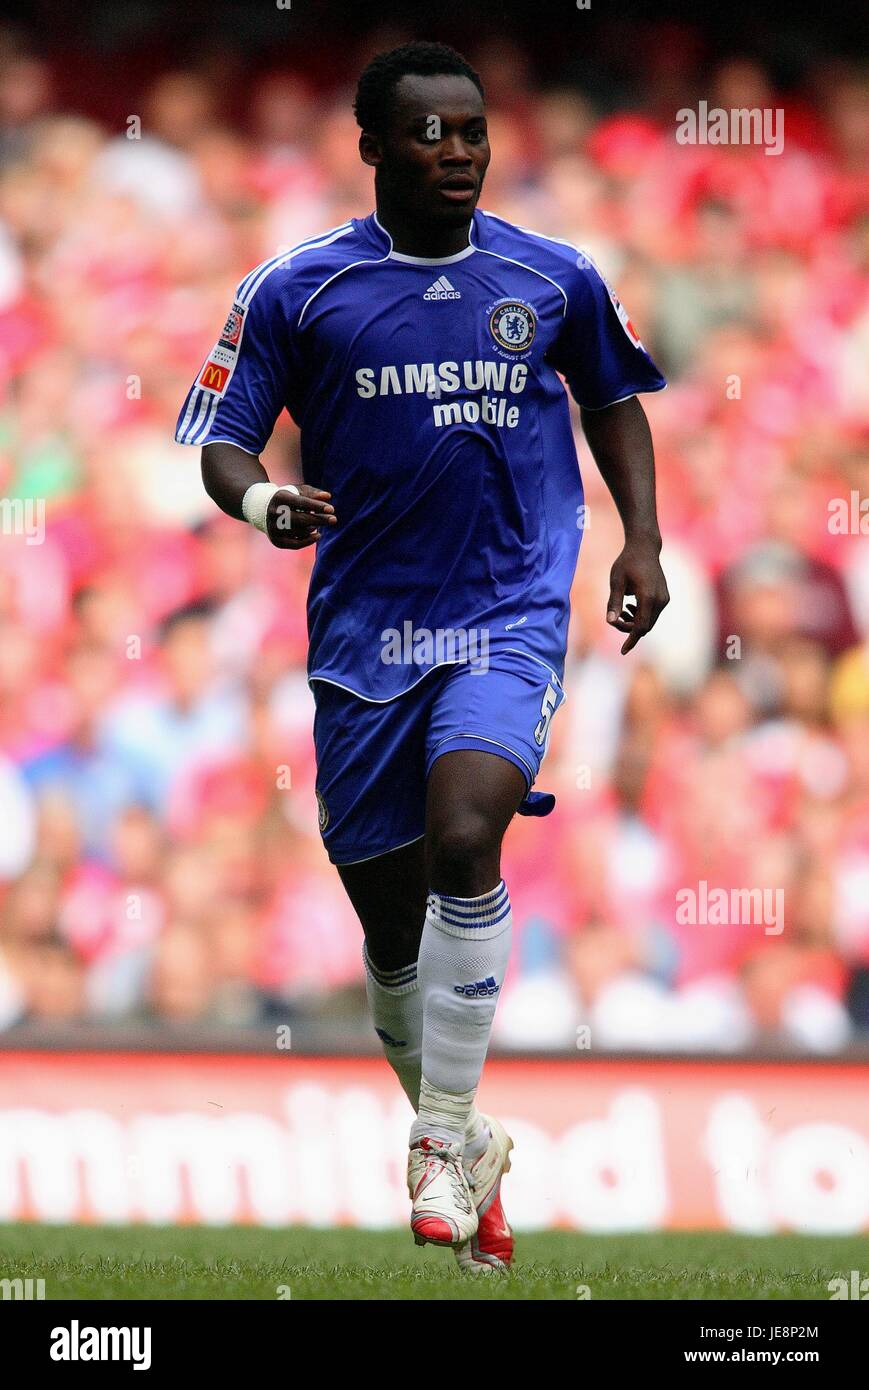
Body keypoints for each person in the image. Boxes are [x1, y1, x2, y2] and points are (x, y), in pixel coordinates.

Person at [175, 41, 669, 1271]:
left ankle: (441, 1133)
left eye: (472, 132)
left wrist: (639, 543)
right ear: (372, 147)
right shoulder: (294, 289)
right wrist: (265, 507)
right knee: (392, 941)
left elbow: (611, 396)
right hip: (363, 641)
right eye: (429, 134)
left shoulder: (548, 276)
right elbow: (224, 442)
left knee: (465, 833)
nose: (457, 152)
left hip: (505, 613)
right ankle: (460, 1130)